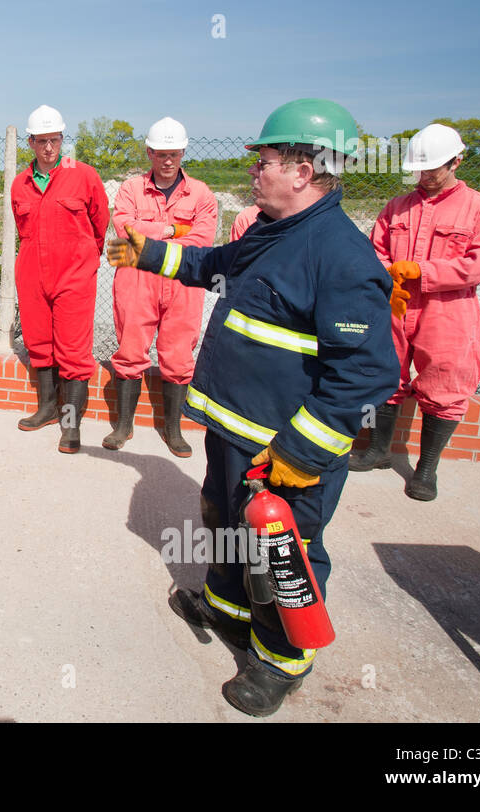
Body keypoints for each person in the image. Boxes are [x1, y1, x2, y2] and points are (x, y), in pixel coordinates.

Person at [108, 98, 397, 716]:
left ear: (302, 168)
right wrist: (151, 254)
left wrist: (301, 450)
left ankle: (282, 659)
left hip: (284, 452)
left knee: (282, 551)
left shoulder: (341, 256)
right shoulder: (272, 231)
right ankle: (228, 608)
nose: (254, 172)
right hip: (235, 434)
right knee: (225, 522)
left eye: (264, 160)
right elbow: (215, 265)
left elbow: (369, 371)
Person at [354, 123, 480, 500]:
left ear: (457, 160)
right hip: (396, 301)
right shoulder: (398, 206)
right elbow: (377, 249)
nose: (425, 176)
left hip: (448, 306)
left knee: (446, 379)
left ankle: (426, 468)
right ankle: (378, 450)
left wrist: (425, 271)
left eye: (433, 169)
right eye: (420, 169)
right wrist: (387, 277)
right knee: (384, 372)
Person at [104, 117, 218, 454]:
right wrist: (171, 230)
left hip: (183, 280)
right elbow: (123, 229)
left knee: (180, 355)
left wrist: (148, 232)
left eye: (174, 154)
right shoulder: (130, 188)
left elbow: (202, 238)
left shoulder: (200, 193)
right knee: (129, 351)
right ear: (150, 153)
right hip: (136, 276)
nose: (167, 161)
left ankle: (173, 429)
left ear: (183, 152)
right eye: (160, 154)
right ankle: (123, 426)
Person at [11, 105, 109, 453]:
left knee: (72, 350)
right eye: (41, 141)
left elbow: (100, 224)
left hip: (74, 275)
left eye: (54, 140)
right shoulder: (20, 184)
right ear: (31, 142)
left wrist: (83, 259)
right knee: (39, 343)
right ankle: (47, 409)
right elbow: (24, 230)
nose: (49, 148)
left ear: (62, 139)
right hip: (33, 274)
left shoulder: (84, 176)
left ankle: (70, 425)